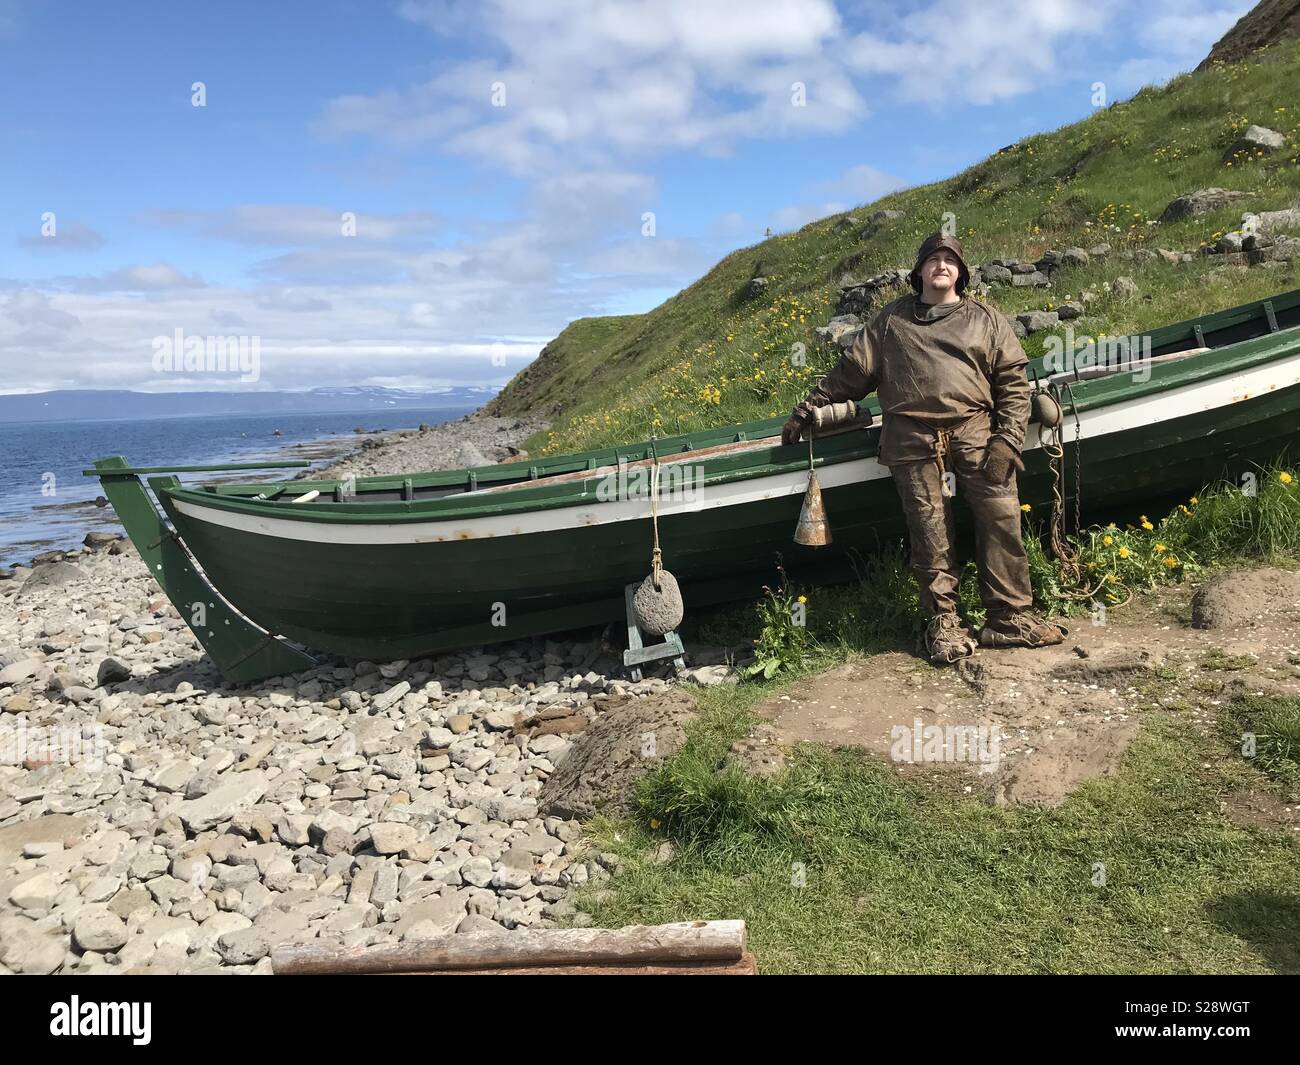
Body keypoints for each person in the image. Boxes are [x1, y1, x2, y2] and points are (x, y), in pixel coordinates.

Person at [781, 232, 1066, 663]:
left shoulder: (986, 319)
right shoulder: (890, 322)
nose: (941, 265)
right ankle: (943, 623)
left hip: (976, 432)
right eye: (933, 259)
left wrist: (1007, 440)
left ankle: (1009, 618)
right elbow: (851, 375)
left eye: (950, 259)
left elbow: (1012, 382)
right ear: (919, 272)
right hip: (912, 438)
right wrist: (808, 408)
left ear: (961, 272)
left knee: (1002, 520)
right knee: (930, 533)